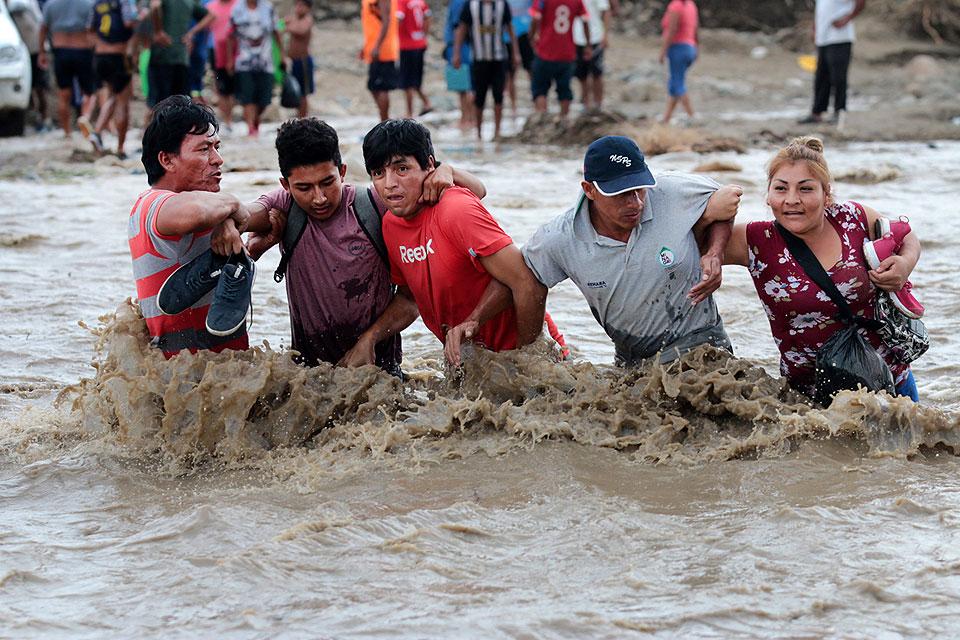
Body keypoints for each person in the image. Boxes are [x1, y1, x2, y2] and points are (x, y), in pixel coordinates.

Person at [241, 117, 489, 373]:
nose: (319, 198)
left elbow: (410, 298)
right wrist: (246, 243)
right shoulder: (284, 207)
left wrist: (446, 169)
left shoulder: (376, 206)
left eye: (328, 182)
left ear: (343, 172)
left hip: (381, 374)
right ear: (285, 185)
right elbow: (242, 215)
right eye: (304, 188)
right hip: (309, 377)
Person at [722, 136, 922, 401]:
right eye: (781, 189)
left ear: (826, 194)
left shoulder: (854, 219)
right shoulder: (756, 241)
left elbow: (906, 235)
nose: (791, 200)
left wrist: (904, 264)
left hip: (891, 384)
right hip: (811, 399)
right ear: (768, 196)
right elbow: (687, 250)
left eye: (805, 189)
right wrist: (715, 216)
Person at [522, 135, 743, 366]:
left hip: (702, 345)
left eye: (639, 189)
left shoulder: (671, 190)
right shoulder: (560, 238)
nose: (636, 202)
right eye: (621, 194)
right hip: (630, 357)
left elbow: (726, 202)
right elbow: (524, 279)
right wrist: (533, 354)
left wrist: (714, 253)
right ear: (589, 190)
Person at [362, 119, 548, 365]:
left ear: (429, 165)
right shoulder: (391, 224)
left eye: (402, 169)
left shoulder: (455, 209)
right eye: (378, 173)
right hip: (472, 365)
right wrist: (369, 339)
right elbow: (409, 298)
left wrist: (528, 365)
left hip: (515, 357)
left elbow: (528, 283)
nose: (389, 184)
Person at [129, 95, 254, 357]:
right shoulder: (152, 205)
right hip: (183, 379)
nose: (218, 159)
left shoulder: (209, 204)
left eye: (217, 147)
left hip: (229, 378)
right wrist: (231, 207)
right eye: (204, 149)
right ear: (167, 160)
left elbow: (261, 214)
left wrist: (228, 220)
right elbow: (196, 211)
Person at [452, 0, 520, 140]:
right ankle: (479, 133)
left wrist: (515, 52)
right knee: (479, 96)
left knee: (498, 95)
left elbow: (510, 28)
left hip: (499, 57)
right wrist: (456, 53)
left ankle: (497, 131)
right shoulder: (471, 5)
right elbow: (462, 28)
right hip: (479, 58)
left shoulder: (502, 4)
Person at [799, 0, 865, 128]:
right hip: (823, 38)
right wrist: (815, 28)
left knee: (838, 77)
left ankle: (839, 112)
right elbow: (821, 11)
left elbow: (860, 2)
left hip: (840, 38)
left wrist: (847, 18)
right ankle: (817, 112)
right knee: (821, 76)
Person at [37, 0, 97, 138]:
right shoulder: (88, 4)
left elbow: (43, 29)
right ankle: (85, 119)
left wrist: (41, 52)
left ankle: (66, 131)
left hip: (61, 51)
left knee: (63, 94)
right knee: (88, 93)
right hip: (83, 50)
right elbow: (94, 28)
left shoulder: (51, 5)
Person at [87, 0, 138, 157]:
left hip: (100, 57)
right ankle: (120, 148)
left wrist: (101, 45)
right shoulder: (124, 2)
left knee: (113, 96)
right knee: (123, 100)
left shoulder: (97, 3)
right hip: (118, 56)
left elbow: (89, 29)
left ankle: (97, 132)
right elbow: (129, 21)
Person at [148, 0, 214, 116]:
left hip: (162, 55)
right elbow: (211, 15)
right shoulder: (188, 2)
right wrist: (191, 33)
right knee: (181, 105)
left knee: (158, 104)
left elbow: (155, 6)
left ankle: (157, 132)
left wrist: (158, 31)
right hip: (182, 58)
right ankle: (178, 132)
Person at [528, 0, 589, 120]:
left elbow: (535, 17)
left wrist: (531, 36)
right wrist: (588, 44)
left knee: (540, 89)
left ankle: (542, 118)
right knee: (564, 89)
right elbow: (585, 19)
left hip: (545, 51)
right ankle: (563, 119)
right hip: (567, 52)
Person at [229, 0, 282, 136]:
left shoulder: (268, 8)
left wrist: (282, 55)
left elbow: (276, 33)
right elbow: (230, 35)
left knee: (264, 99)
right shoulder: (237, 9)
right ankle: (251, 127)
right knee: (248, 96)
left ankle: (256, 120)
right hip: (244, 61)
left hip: (265, 62)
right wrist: (230, 59)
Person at [7, 0, 50, 130]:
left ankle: (44, 119)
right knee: (29, 87)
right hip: (17, 51)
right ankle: (35, 118)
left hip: (33, 49)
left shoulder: (22, 3)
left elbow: (41, 23)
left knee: (40, 87)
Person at [658, 0, 698, 125]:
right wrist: (697, 48)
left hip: (678, 48)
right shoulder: (691, 4)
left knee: (677, 84)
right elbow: (696, 28)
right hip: (690, 47)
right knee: (674, 83)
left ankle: (692, 116)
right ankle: (666, 118)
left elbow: (672, 29)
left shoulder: (675, 6)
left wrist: (663, 51)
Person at [360, 0, 399, 122]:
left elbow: (387, 20)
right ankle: (384, 118)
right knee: (373, 86)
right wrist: (366, 47)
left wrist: (377, 46)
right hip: (373, 47)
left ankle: (384, 120)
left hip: (384, 49)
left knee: (381, 87)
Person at [395, 0, 431, 118]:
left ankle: (409, 112)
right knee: (416, 78)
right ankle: (426, 102)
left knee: (407, 81)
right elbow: (427, 18)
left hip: (407, 45)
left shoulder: (401, 2)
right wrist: (424, 36)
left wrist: (392, 37)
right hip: (419, 43)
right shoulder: (420, 2)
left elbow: (398, 19)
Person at [443, 0, 473, 130]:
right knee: (464, 85)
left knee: (464, 85)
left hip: (459, 47)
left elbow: (459, 27)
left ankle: (467, 118)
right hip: (460, 46)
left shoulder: (457, 3)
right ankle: (467, 117)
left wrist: (456, 52)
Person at [206, 0, 237, 126]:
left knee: (233, 86)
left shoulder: (238, 5)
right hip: (215, 50)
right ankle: (227, 120)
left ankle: (229, 119)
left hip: (236, 51)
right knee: (221, 86)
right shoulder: (210, 6)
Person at [573, 0, 607, 111]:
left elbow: (605, 11)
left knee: (596, 72)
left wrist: (605, 34)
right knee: (581, 74)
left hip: (595, 36)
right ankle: (586, 103)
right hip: (576, 37)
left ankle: (598, 104)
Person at [284, 0, 314, 118]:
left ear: (308, 8)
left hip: (303, 61)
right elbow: (279, 25)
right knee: (295, 90)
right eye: (297, 5)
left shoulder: (307, 19)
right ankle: (299, 116)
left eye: (301, 5)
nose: (298, 8)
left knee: (303, 92)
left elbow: (300, 30)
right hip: (293, 61)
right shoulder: (292, 19)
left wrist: (288, 25)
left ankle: (303, 117)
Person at [503, 0, 532, 115]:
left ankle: (535, 102)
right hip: (508, 36)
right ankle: (513, 107)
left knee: (530, 69)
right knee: (510, 74)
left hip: (525, 33)